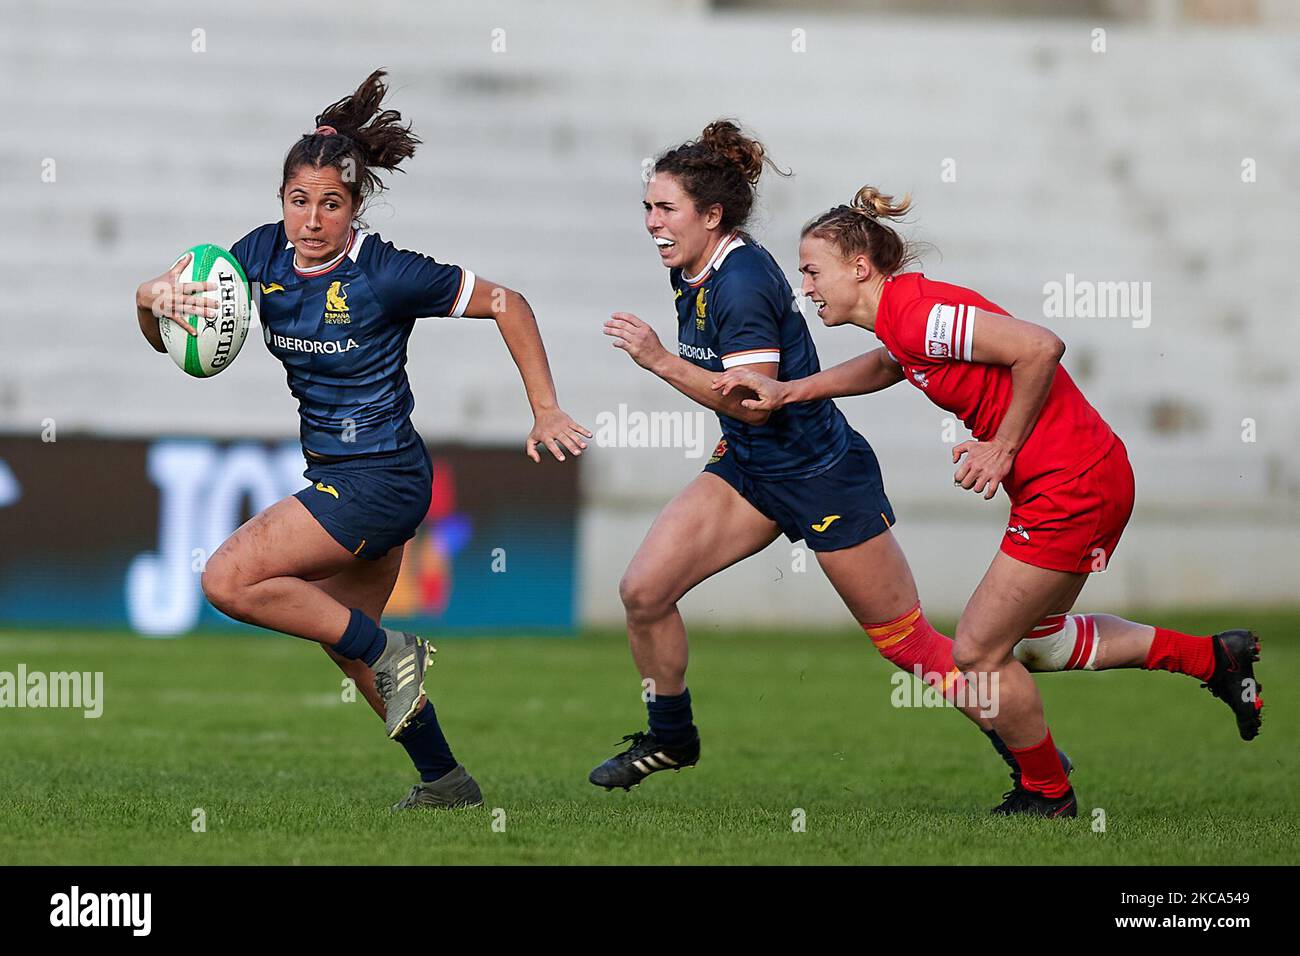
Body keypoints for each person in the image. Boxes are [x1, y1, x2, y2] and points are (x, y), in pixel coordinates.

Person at [713, 185, 1265, 817]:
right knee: (1040, 645)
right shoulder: (904, 320)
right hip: (1084, 478)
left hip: (1072, 485)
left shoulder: (916, 314)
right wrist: (792, 391)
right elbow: (891, 364)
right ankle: (1214, 658)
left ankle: (1048, 794)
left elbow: (1040, 346)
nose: (805, 287)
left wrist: (1001, 447)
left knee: (977, 652)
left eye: (813, 271)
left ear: (859, 267)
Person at [134, 69, 590, 812]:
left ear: (355, 206)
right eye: (298, 200)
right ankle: (446, 781)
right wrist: (148, 298)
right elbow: (167, 333)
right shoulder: (258, 256)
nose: (312, 220)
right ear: (282, 198)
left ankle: (393, 650)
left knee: (227, 580)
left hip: (381, 479)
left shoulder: (387, 272)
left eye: (331, 204)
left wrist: (545, 409)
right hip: (347, 475)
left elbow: (508, 302)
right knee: (350, 649)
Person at [591, 121, 1063, 794]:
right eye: (648, 207)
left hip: (820, 475)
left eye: (665, 208)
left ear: (712, 215)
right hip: (750, 469)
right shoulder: (690, 266)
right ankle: (670, 737)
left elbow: (753, 403)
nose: (652, 222)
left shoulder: (740, 282)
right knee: (644, 592)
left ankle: (1032, 757)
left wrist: (659, 360)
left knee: (908, 645)